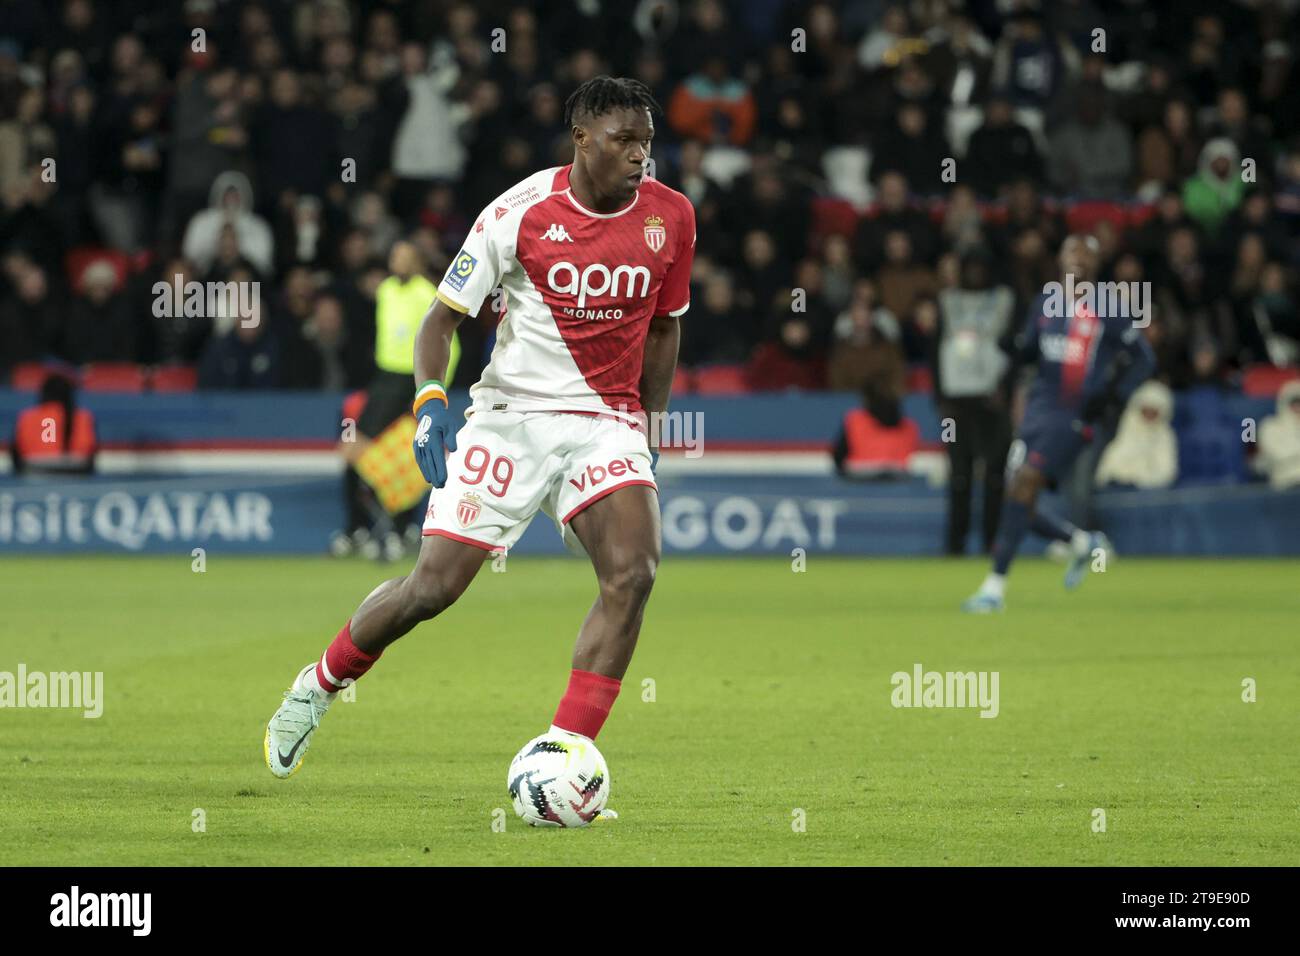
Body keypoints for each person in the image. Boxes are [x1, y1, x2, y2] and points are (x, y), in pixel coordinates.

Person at [264, 77, 695, 791]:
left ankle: (563, 757)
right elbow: (441, 321)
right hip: (511, 419)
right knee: (432, 590)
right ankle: (319, 682)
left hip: (605, 422)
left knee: (634, 572)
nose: (640, 156)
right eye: (625, 140)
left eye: (647, 142)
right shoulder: (519, 213)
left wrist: (646, 425)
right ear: (582, 140)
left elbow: (667, 325)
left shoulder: (672, 216)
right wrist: (431, 400)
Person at [962, 235, 1155, 613]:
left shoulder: (1109, 307)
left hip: (1075, 416)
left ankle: (994, 589)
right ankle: (1081, 542)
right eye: (1072, 253)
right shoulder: (1047, 299)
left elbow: (1144, 360)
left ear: (1098, 264)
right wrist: (1012, 349)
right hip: (1038, 409)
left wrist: (1113, 395)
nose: (1078, 260)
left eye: (1087, 255)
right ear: (1061, 259)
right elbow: (1030, 350)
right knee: (1018, 500)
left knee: (1024, 484)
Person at [1095, 380, 1178, 489]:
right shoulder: (1120, 426)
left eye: (1154, 411)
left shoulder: (1166, 435)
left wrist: (1140, 481)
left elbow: (1167, 471)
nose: (1149, 414)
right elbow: (1107, 463)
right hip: (1113, 487)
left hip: (1146, 492)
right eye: (1146, 409)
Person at [11, 372, 97, 474]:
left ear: (44, 394)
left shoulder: (27, 417)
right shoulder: (84, 418)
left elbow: (16, 456)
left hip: (33, 472)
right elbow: (91, 456)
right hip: (77, 472)